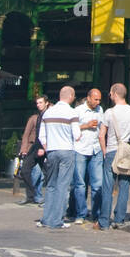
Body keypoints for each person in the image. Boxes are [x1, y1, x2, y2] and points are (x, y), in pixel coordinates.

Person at [97, 82, 130, 230]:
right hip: (127, 151)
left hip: (112, 151)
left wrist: (104, 151)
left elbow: (101, 135)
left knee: (108, 187)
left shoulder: (109, 113)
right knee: (124, 185)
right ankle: (119, 218)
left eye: (110, 93)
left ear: (115, 94)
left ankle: (104, 221)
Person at [38, 87, 81, 229]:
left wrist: (47, 148)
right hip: (67, 151)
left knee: (50, 185)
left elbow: (41, 136)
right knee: (62, 186)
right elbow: (77, 134)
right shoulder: (72, 112)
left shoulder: (48, 113)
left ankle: (46, 219)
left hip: (51, 151)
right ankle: (56, 220)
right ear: (71, 96)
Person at [71, 88, 103, 225]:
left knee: (97, 184)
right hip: (80, 149)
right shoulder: (78, 111)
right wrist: (86, 125)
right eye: (96, 99)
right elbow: (72, 128)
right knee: (80, 184)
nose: (98, 102)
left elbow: (102, 127)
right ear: (88, 98)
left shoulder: (100, 110)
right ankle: (81, 214)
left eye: (99, 99)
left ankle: (96, 214)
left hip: (96, 149)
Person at [18, 95, 48, 205]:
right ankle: (31, 195)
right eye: (37, 103)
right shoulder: (35, 117)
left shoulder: (48, 115)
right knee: (26, 170)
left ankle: (45, 198)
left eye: (41, 102)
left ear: (46, 103)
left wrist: (43, 148)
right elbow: (26, 134)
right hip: (35, 146)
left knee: (46, 174)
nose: (38, 105)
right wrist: (24, 149)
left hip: (45, 147)